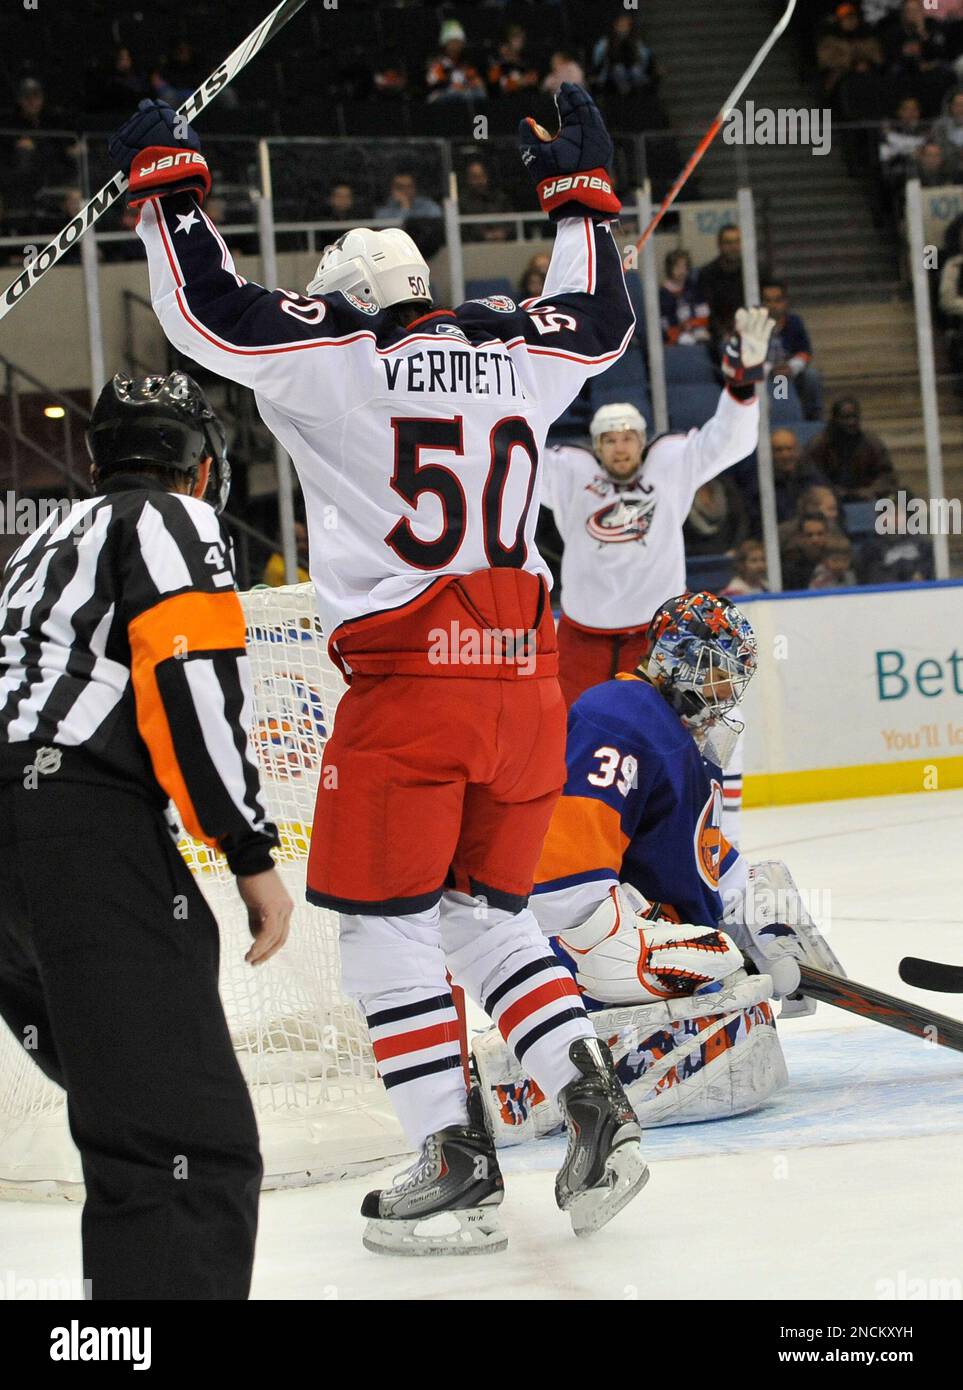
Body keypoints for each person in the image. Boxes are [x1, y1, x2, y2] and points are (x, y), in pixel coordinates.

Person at [112, 84, 647, 1255]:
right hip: (524, 681)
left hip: (417, 682)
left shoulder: (340, 358)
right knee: (481, 915)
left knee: (381, 931)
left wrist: (169, 189)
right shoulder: (518, 354)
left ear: (350, 300)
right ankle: (593, 1093)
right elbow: (600, 320)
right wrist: (576, 206)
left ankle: (452, 1162)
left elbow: (208, 315)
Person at [0, 371, 293, 1299]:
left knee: (122, 1114)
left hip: (15, 850)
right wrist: (248, 851)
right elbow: (190, 682)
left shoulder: (34, 543)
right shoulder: (171, 522)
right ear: (200, 470)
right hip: (74, 828)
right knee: (183, 1147)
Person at [473, 593, 843, 1145]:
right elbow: (564, 861)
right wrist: (597, 943)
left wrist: (761, 924)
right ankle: (545, 1075)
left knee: (768, 897)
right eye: (717, 672)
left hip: (654, 929)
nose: (725, 692)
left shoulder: (680, 739)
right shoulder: (619, 714)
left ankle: (590, 1063)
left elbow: (700, 853)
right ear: (676, 657)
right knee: (719, 966)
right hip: (588, 942)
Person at [541, 308, 773, 710]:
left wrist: (742, 382)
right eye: (610, 440)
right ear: (596, 446)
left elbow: (729, 442)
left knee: (664, 729)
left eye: (628, 437)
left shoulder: (670, 463)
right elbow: (512, 455)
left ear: (642, 440)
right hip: (581, 637)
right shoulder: (568, 472)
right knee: (571, 731)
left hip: (659, 637)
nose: (620, 447)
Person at [802, 397, 898, 500]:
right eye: (846, 418)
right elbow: (808, 478)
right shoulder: (817, 445)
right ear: (834, 419)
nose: (851, 422)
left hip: (866, 497)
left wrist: (872, 490)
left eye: (854, 417)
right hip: (826, 499)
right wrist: (831, 491)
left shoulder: (871, 443)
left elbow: (887, 475)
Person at [760, 279, 824, 420]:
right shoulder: (755, 326)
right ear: (761, 303)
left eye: (777, 300)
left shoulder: (794, 322)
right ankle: (775, 419)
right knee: (778, 382)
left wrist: (791, 367)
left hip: (787, 372)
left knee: (811, 375)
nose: (773, 306)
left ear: (785, 302)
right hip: (763, 374)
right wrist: (771, 368)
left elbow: (805, 352)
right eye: (768, 301)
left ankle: (812, 416)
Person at [660, 248, 711, 346]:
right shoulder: (663, 293)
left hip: (696, 327)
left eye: (684, 267)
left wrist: (695, 323)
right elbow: (663, 322)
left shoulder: (693, 287)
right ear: (669, 268)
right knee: (686, 341)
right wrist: (677, 329)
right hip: (675, 333)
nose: (681, 271)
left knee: (705, 337)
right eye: (677, 267)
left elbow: (704, 311)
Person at [460, 159, 512, 242]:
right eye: (475, 177)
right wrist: (483, 235)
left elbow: (512, 222)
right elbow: (464, 230)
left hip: (502, 245)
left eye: (482, 176)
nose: (479, 181)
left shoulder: (499, 198)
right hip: (473, 248)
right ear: (468, 179)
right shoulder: (463, 203)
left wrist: (503, 232)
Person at [374, 171, 442, 224]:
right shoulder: (384, 212)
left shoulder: (427, 206)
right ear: (392, 190)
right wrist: (405, 208)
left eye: (409, 187)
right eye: (400, 187)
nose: (405, 191)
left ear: (414, 188)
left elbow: (437, 218)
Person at [263, 519, 310, 586]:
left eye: (305, 541)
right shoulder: (281, 569)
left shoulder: (292, 563)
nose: (304, 546)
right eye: (298, 541)